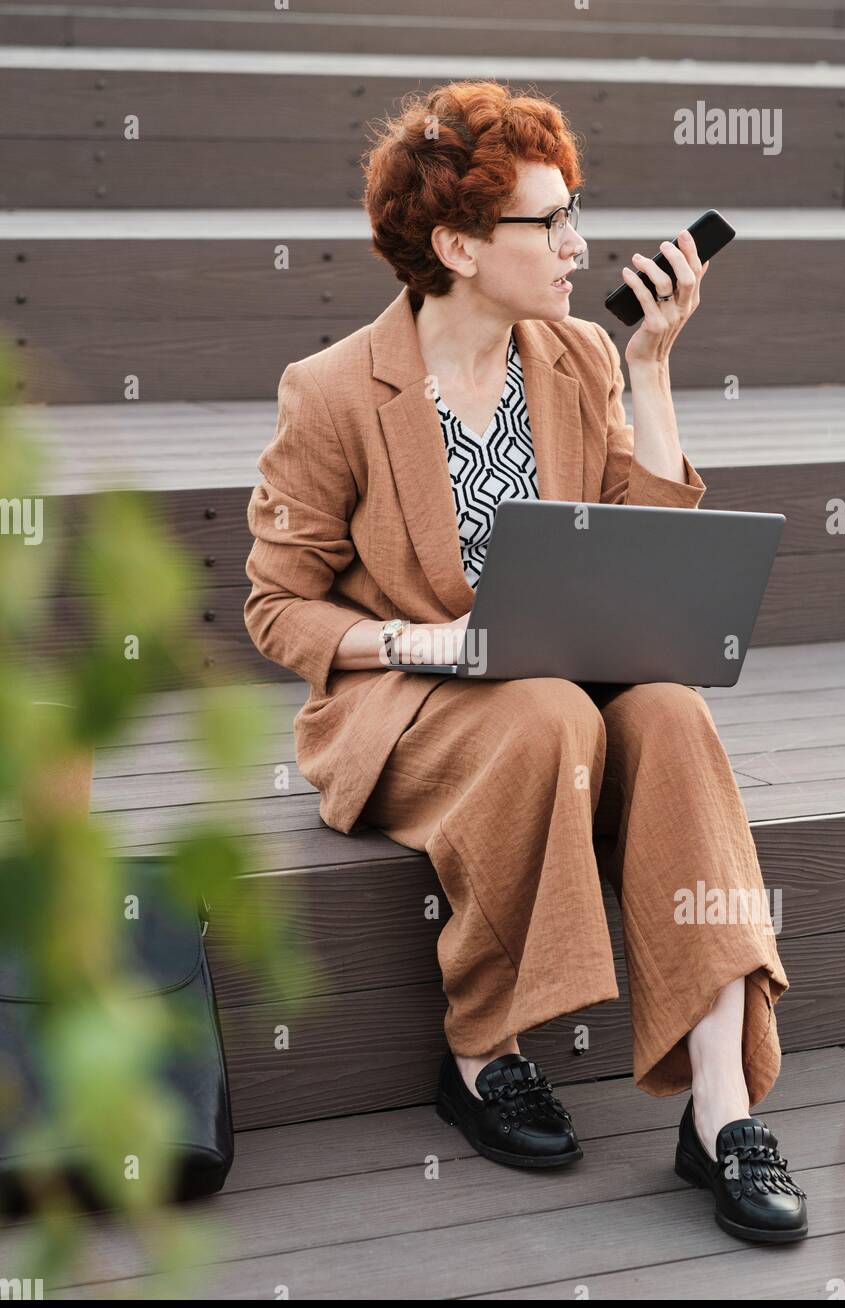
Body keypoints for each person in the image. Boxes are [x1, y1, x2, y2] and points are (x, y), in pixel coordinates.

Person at [244, 79, 807, 1242]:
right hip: (412, 704)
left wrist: (648, 365)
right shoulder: (337, 390)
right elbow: (276, 607)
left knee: (665, 711)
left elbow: (648, 540)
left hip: (561, 691)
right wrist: (417, 640)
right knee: (551, 711)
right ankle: (479, 1048)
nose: (574, 245)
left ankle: (716, 1108)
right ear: (455, 244)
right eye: (544, 224)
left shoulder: (575, 359)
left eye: (573, 213)